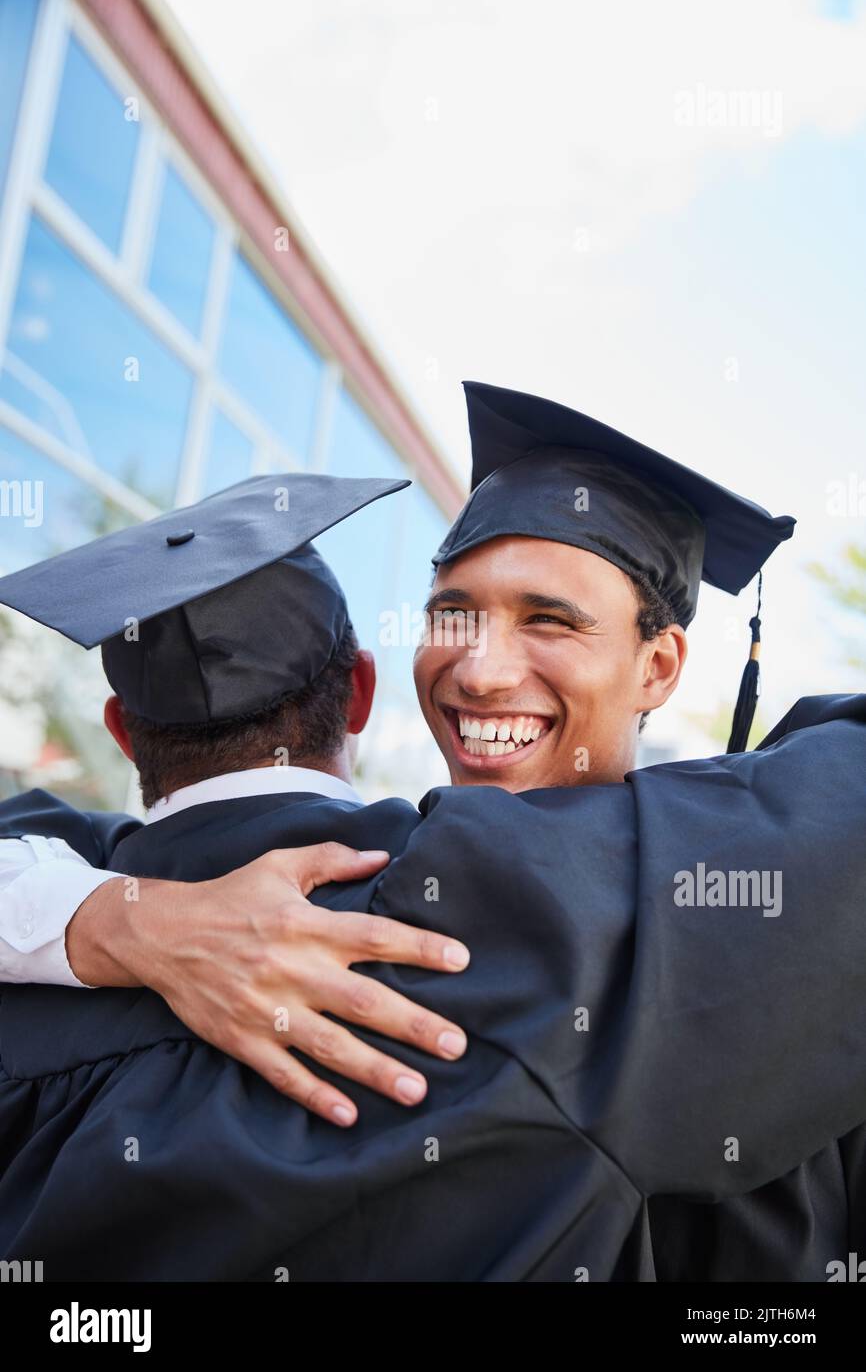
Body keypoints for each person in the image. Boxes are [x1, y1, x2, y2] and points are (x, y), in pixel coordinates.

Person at [0, 386, 864, 1282]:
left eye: (550, 619)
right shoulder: (518, 919)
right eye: (452, 615)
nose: (481, 670)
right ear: (363, 690)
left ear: (660, 665)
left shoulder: (56, 916)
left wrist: (102, 916)